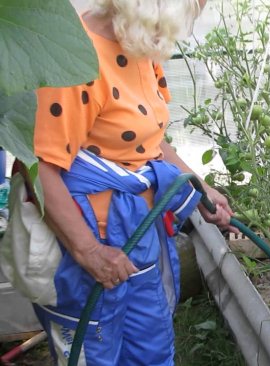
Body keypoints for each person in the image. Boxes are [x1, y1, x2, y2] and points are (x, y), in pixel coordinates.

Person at [30, 0, 234, 364]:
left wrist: (200, 190)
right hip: (92, 239)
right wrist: (89, 252)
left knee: (151, 348)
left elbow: (150, 142)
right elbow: (39, 170)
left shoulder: (140, 42)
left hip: (137, 234)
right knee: (95, 353)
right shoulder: (76, 59)